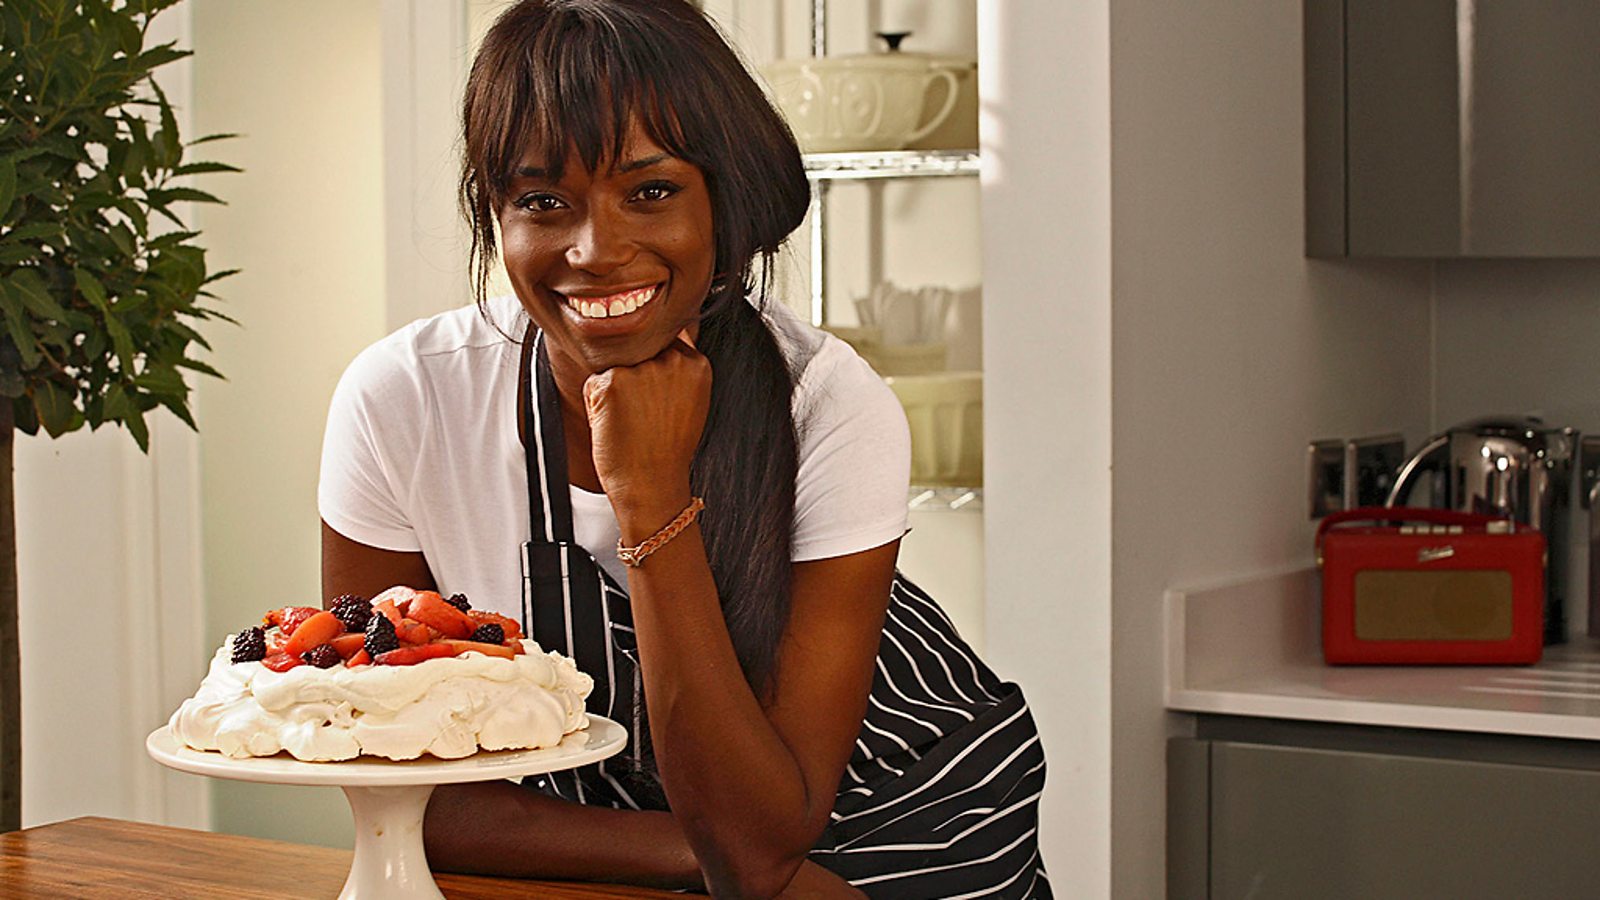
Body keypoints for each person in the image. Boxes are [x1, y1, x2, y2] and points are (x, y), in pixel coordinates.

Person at [317, 1, 1048, 896]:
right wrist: (719, 867)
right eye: (542, 202)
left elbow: (762, 834)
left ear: (723, 203)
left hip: (909, 827)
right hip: (648, 861)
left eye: (651, 192)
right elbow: (400, 786)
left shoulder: (828, 404)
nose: (595, 250)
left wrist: (652, 496)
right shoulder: (406, 400)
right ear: (493, 216)